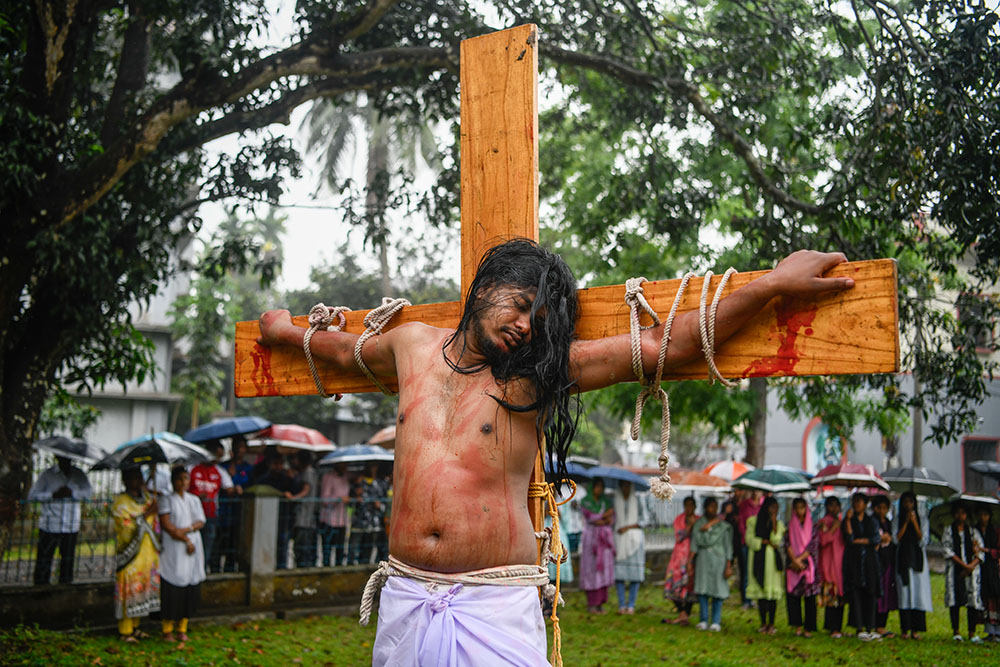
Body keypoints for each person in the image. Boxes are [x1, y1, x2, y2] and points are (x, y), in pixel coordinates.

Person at [257, 239, 854, 663]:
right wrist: (283, 333)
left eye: (539, 320)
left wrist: (771, 286)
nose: (524, 325)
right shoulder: (410, 345)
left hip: (495, 603)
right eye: (519, 304)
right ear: (485, 288)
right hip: (407, 597)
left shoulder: (535, 377)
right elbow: (340, 354)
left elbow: (661, 345)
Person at [158, 466, 206, 643]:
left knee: (189, 584)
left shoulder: (193, 499)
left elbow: (201, 521)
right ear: (172, 481)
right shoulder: (165, 500)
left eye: (186, 478)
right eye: (179, 479)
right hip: (175, 546)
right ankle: (167, 629)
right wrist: (185, 539)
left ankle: (182, 627)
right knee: (172, 584)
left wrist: (188, 530)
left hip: (193, 545)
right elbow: (167, 525)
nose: (183, 482)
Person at [112, 467, 160, 642]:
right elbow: (127, 528)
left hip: (147, 554)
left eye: (139, 476)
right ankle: (125, 631)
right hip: (130, 556)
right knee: (128, 590)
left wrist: (153, 510)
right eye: (133, 476)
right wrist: (148, 513)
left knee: (141, 590)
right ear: (125, 480)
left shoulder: (147, 498)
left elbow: (154, 523)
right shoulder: (121, 503)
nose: (138, 479)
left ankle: (136, 627)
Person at [28, 455, 92, 585]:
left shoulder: (79, 474)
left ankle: (65, 586)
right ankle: (40, 589)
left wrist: (72, 493)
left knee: (67, 561)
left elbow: (89, 493)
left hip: (71, 524)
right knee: (44, 560)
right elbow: (33, 495)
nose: (65, 460)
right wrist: (52, 495)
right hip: (50, 524)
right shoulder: (47, 474)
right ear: (57, 457)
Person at [188, 440, 235, 573]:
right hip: (192, 516)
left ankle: (201, 573)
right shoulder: (193, 468)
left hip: (210, 516)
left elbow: (230, 488)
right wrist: (196, 496)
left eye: (220, 456)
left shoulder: (219, 471)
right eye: (216, 455)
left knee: (207, 549)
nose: (217, 459)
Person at [689, 496, 733, 632]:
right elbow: (694, 544)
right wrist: (690, 562)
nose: (712, 509)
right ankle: (703, 619)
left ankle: (716, 621)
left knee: (717, 590)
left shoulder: (723, 526)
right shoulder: (699, 524)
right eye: (710, 506)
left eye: (715, 507)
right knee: (702, 590)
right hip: (703, 560)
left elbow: (728, 547)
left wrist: (728, 565)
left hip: (718, 560)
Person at [842, 492, 881, 640]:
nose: (857, 504)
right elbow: (849, 539)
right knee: (856, 594)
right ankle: (859, 627)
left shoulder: (871, 521)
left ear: (865, 504)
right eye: (855, 501)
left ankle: (871, 626)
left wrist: (860, 541)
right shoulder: (849, 521)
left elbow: (875, 539)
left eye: (860, 502)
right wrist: (847, 520)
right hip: (854, 561)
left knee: (870, 593)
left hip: (869, 561)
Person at [943, 501, 983, 642]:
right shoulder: (948, 530)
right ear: (953, 514)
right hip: (955, 569)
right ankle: (956, 631)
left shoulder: (972, 532)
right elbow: (947, 550)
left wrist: (971, 566)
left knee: (971, 601)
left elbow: (980, 552)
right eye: (958, 512)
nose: (960, 515)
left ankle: (972, 632)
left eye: (963, 513)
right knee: (955, 600)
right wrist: (963, 565)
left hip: (971, 571)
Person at [894, 491, 932, 640]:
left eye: (911, 502)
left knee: (918, 594)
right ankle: (905, 629)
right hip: (903, 559)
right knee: (904, 595)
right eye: (905, 502)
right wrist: (905, 523)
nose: (908, 505)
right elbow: (896, 539)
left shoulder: (922, 518)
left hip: (917, 560)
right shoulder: (898, 518)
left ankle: (916, 630)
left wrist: (915, 523)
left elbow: (923, 539)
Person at [745, 496, 785, 634]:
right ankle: (763, 623)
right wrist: (762, 542)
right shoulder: (753, 521)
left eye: (776, 508)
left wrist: (773, 523)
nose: (774, 511)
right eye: (771, 507)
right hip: (758, 559)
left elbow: (776, 540)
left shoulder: (779, 525)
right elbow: (749, 539)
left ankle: (772, 624)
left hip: (772, 562)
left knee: (771, 594)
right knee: (761, 593)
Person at [579, 478, 615, 614]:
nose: (599, 489)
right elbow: (592, 518)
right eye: (597, 486)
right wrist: (604, 516)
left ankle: (600, 603)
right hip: (591, 540)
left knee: (603, 569)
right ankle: (592, 603)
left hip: (604, 540)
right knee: (591, 569)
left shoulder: (606, 501)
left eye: (601, 487)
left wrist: (605, 519)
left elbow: (611, 519)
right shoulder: (586, 502)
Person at [785, 497, 819, 637]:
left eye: (802, 507)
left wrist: (799, 560)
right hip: (793, 564)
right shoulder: (790, 526)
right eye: (797, 508)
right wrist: (794, 560)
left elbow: (812, 545)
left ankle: (808, 628)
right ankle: (797, 625)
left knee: (810, 598)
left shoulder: (812, 526)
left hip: (807, 564)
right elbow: (787, 544)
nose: (799, 511)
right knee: (794, 597)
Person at [219, 436, 253, 571]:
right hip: (223, 513)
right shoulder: (223, 467)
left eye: (242, 447)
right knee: (220, 545)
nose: (239, 450)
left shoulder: (248, 468)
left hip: (240, 513)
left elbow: (251, 486)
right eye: (237, 447)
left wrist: (241, 489)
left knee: (236, 546)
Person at [664, 496, 698, 625]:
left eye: (691, 505)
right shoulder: (679, 519)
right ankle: (681, 612)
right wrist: (689, 526)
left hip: (692, 556)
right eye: (687, 505)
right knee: (675, 582)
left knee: (690, 585)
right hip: (679, 557)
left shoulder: (698, 519)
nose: (689, 508)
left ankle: (686, 613)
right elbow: (679, 536)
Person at [613, 480, 644, 614]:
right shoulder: (614, 500)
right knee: (619, 574)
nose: (625, 488)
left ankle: (631, 604)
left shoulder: (638, 500)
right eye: (623, 485)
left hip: (635, 540)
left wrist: (627, 527)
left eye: (628, 486)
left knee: (634, 575)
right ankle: (621, 604)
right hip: (619, 539)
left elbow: (644, 520)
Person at [871, 495, 898, 637]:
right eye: (879, 508)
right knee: (877, 593)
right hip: (877, 561)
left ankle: (882, 624)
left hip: (888, 562)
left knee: (887, 594)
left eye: (884, 508)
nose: (881, 511)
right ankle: (875, 624)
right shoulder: (872, 522)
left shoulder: (888, 523)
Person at [975, 505, 1000, 642]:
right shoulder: (975, 530)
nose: (983, 518)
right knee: (986, 599)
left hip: (994, 569)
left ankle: (998, 631)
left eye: (986, 515)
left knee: (996, 599)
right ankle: (990, 631)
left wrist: (987, 551)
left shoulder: (995, 531)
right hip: (981, 569)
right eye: (981, 514)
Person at [319, 462, 351, 567]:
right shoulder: (328, 477)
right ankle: (326, 568)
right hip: (329, 519)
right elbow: (324, 499)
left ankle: (339, 567)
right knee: (327, 547)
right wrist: (338, 499)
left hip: (342, 518)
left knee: (340, 547)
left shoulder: (346, 477)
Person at [291, 451, 319, 568]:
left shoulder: (307, 472)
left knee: (302, 548)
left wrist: (293, 498)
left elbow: (305, 490)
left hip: (304, 516)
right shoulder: (309, 472)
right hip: (307, 517)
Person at [737, 489, 763, 609]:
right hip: (745, 542)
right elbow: (741, 522)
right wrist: (747, 538)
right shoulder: (745, 505)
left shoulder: (763, 505)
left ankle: (755, 597)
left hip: (759, 543)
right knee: (746, 572)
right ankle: (746, 599)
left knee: (757, 571)